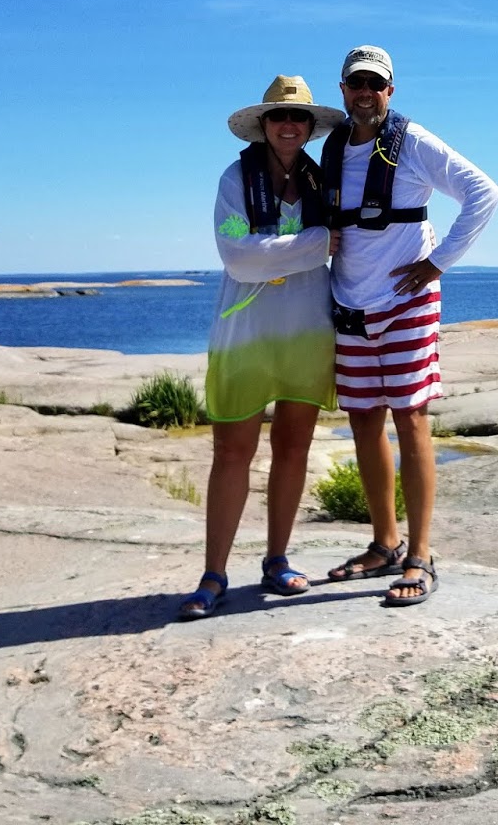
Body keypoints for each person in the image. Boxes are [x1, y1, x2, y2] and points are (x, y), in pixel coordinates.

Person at [320, 45, 498, 607]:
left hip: (404, 304)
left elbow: (484, 192)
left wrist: (437, 262)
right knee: (363, 421)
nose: (365, 93)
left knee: (411, 419)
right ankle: (384, 544)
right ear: (344, 90)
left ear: (390, 91)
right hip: (348, 304)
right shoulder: (331, 149)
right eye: (356, 84)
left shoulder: (411, 141)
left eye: (376, 84)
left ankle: (420, 554)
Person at [177, 74, 347, 620]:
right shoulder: (236, 179)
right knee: (232, 451)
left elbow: (264, 251)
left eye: (298, 118)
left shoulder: (325, 181)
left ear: (310, 127)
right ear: (263, 125)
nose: (290, 125)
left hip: (307, 328)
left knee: (294, 448)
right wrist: (319, 242)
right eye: (279, 117)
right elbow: (238, 257)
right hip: (245, 333)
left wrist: (280, 250)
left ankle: (277, 558)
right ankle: (213, 573)